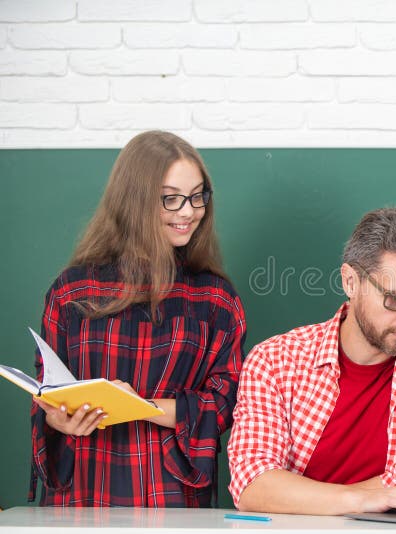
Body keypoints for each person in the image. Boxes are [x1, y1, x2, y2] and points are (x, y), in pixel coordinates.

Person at [30, 131, 247, 507]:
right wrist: (57, 420)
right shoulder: (71, 292)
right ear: (135, 201)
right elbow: (46, 395)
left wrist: (142, 406)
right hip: (84, 495)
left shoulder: (216, 299)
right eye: (171, 199)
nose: (188, 211)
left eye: (198, 196)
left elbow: (228, 402)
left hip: (173, 501)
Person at [228, 207, 396, 515]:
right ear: (350, 282)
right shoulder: (275, 360)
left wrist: (297, 496)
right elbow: (252, 484)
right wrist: (361, 501)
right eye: (395, 298)